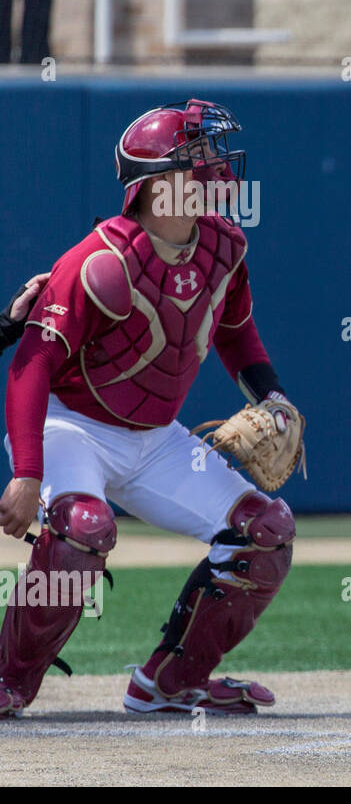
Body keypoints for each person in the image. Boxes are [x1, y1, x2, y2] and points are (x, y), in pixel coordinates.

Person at [0, 99, 299, 718]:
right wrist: (27, 473)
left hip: (156, 437)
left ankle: (169, 682)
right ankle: (8, 681)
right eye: (198, 160)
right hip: (72, 427)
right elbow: (29, 367)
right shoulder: (99, 263)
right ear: (156, 186)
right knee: (82, 531)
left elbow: (237, 333)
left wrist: (272, 396)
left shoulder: (225, 246)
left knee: (265, 533)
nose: (217, 169)